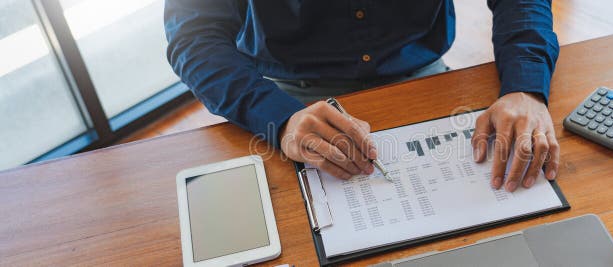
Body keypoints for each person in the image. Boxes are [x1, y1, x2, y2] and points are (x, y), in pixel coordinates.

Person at [164, 0, 560, 192]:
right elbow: (193, 39)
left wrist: (525, 87)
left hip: (423, 77)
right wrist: (280, 117)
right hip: (290, 98)